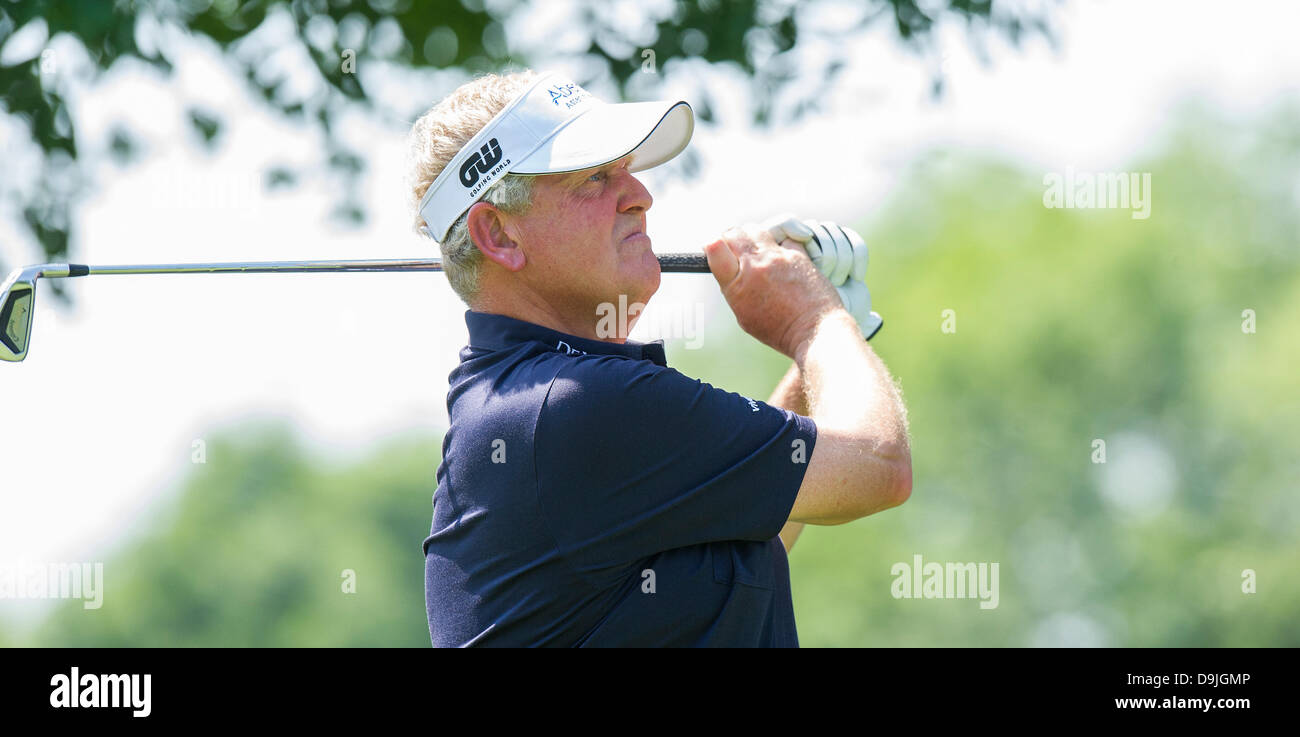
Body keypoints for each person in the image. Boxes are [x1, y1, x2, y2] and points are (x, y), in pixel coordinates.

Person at [408, 70, 912, 647]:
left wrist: (820, 352)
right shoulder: (576, 407)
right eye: (596, 178)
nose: (641, 196)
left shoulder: (548, 407)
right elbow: (879, 468)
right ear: (498, 234)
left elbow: (758, 530)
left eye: (626, 170)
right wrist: (814, 322)